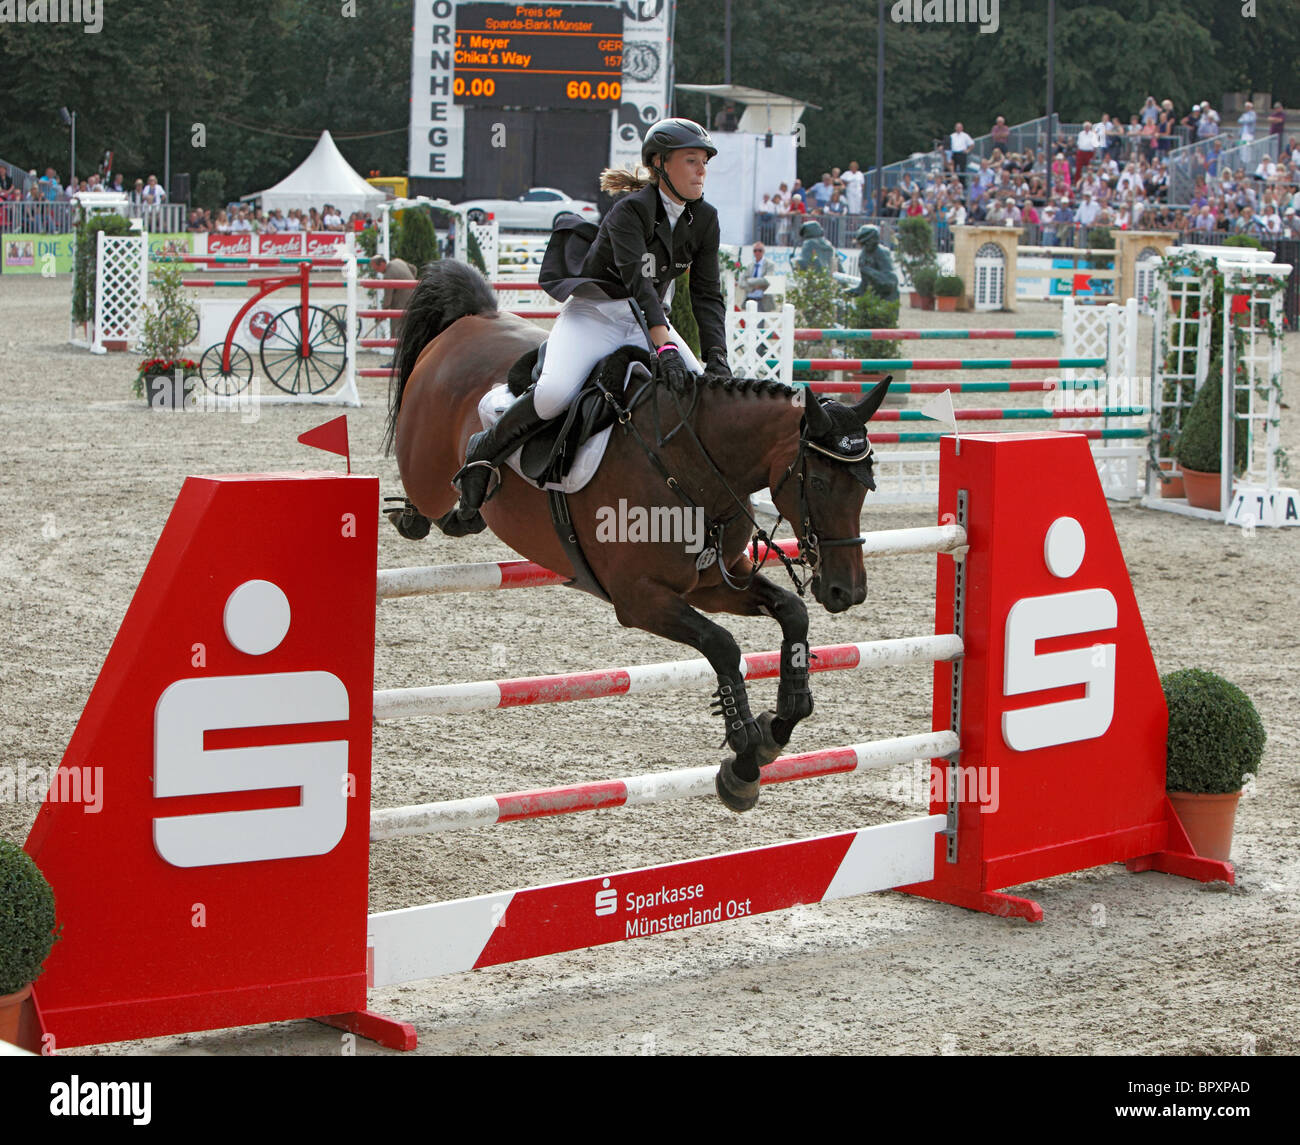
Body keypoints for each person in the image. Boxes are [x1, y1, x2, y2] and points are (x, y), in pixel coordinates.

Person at [450, 118, 726, 527]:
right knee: (552, 396)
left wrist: (718, 358)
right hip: (595, 316)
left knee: (703, 396)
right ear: (660, 164)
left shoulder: (704, 219)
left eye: (704, 161)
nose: (701, 170)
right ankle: (483, 452)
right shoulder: (629, 212)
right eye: (691, 160)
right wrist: (664, 346)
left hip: (646, 321)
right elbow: (638, 284)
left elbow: (706, 296)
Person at [370, 254, 417, 353]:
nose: (377, 271)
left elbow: (388, 297)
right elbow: (413, 268)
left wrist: (384, 312)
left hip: (401, 301)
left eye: (377, 268)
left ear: (382, 264)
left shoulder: (388, 275)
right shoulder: (398, 261)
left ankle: (396, 354)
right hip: (412, 295)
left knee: (396, 328)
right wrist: (411, 281)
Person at [744, 242, 773, 311]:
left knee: (760, 321)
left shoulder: (769, 264)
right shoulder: (749, 265)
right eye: (755, 250)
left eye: (760, 250)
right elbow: (741, 282)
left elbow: (767, 280)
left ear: (763, 251)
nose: (757, 252)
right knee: (748, 321)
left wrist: (750, 281)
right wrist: (754, 287)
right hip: (749, 298)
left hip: (762, 299)